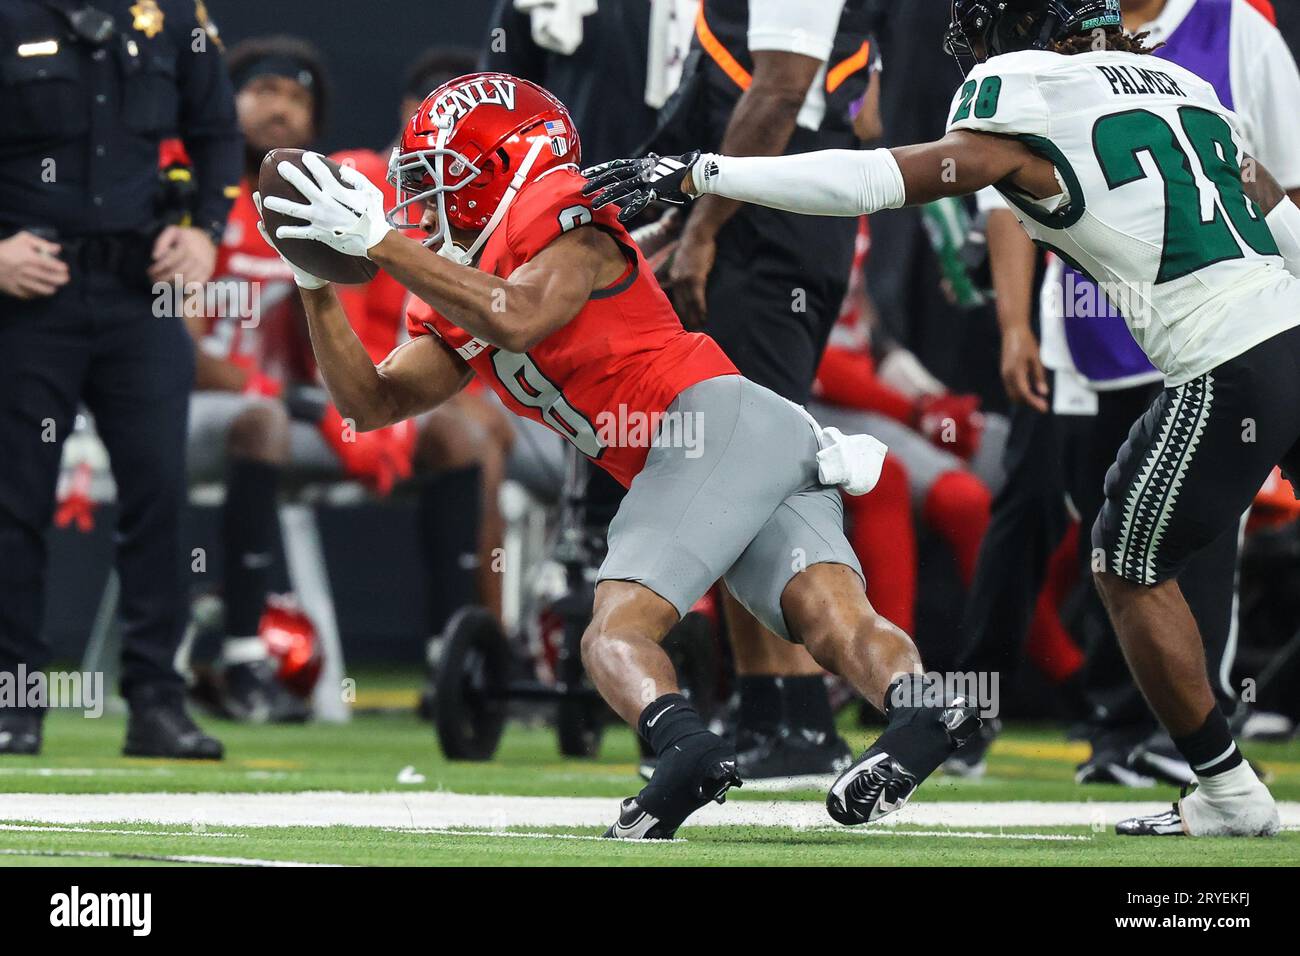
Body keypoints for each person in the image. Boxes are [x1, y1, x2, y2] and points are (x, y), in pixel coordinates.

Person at [586, 0, 1300, 837]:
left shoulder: (1020, 88)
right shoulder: (1182, 83)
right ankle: (1223, 786)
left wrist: (704, 171)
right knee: (1122, 531)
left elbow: (877, 179)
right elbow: (1284, 222)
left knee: (1125, 563)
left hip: (1227, 358)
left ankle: (1225, 789)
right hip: (1285, 327)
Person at [256, 72, 980, 838]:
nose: (423, 201)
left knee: (613, 633)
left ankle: (684, 755)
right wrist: (316, 282)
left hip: (702, 424)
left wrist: (379, 242)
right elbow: (372, 403)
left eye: (442, 179)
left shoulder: (564, 222)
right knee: (831, 617)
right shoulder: (458, 278)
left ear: (503, 167)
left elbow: (518, 316)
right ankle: (925, 713)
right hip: (750, 431)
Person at [968, 0, 1300, 787]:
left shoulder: (1233, 29)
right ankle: (1122, 726)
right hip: (1107, 326)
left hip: (1224, 329)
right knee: (1079, 517)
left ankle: (1197, 747)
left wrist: (711, 174)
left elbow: (1279, 178)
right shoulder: (1066, 64)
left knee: (1160, 546)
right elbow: (1003, 204)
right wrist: (1018, 326)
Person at [188, 40, 506, 721]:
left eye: (297, 97)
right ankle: (244, 654)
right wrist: (324, 405)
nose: (279, 109)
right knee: (263, 421)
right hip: (250, 408)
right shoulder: (207, 202)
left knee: (460, 437)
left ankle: (450, 661)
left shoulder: (345, 198)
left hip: (310, 407)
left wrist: (377, 408)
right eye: (264, 91)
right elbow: (181, 346)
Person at [645, 0, 885, 784]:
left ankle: (803, 717)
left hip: (765, 236)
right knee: (736, 468)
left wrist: (704, 228)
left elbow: (780, 94)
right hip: (776, 227)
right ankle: (770, 710)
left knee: (757, 472)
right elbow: (867, 110)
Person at [0, 0, 237, 758]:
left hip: (142, 292)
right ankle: (15, 700)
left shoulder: (170, 16)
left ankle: (157, 705)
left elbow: (219, 132)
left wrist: (205, 233)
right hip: (29, 292)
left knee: (159, 495)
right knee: (15, 499)